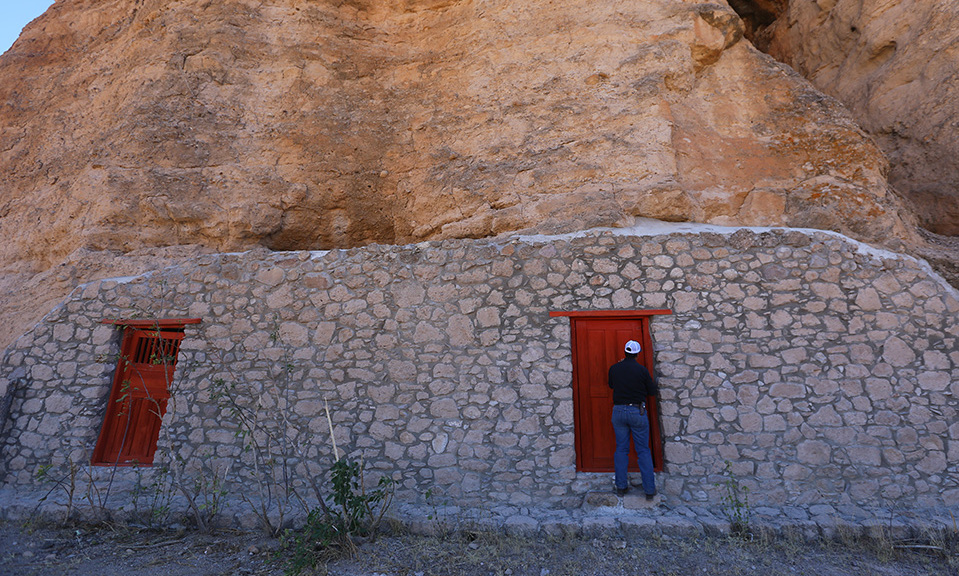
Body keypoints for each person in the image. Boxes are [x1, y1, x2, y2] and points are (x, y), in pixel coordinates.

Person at [608, 340, 658, 499]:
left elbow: (611, 385)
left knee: (621, 449)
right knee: (643, 450)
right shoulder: (642, 370)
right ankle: (649, 490)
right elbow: (652, 391)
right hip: (637, 411)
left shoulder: (614, 368)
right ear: (637, 353)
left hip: (618, 411)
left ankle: (621, 487)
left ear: (625, 352)